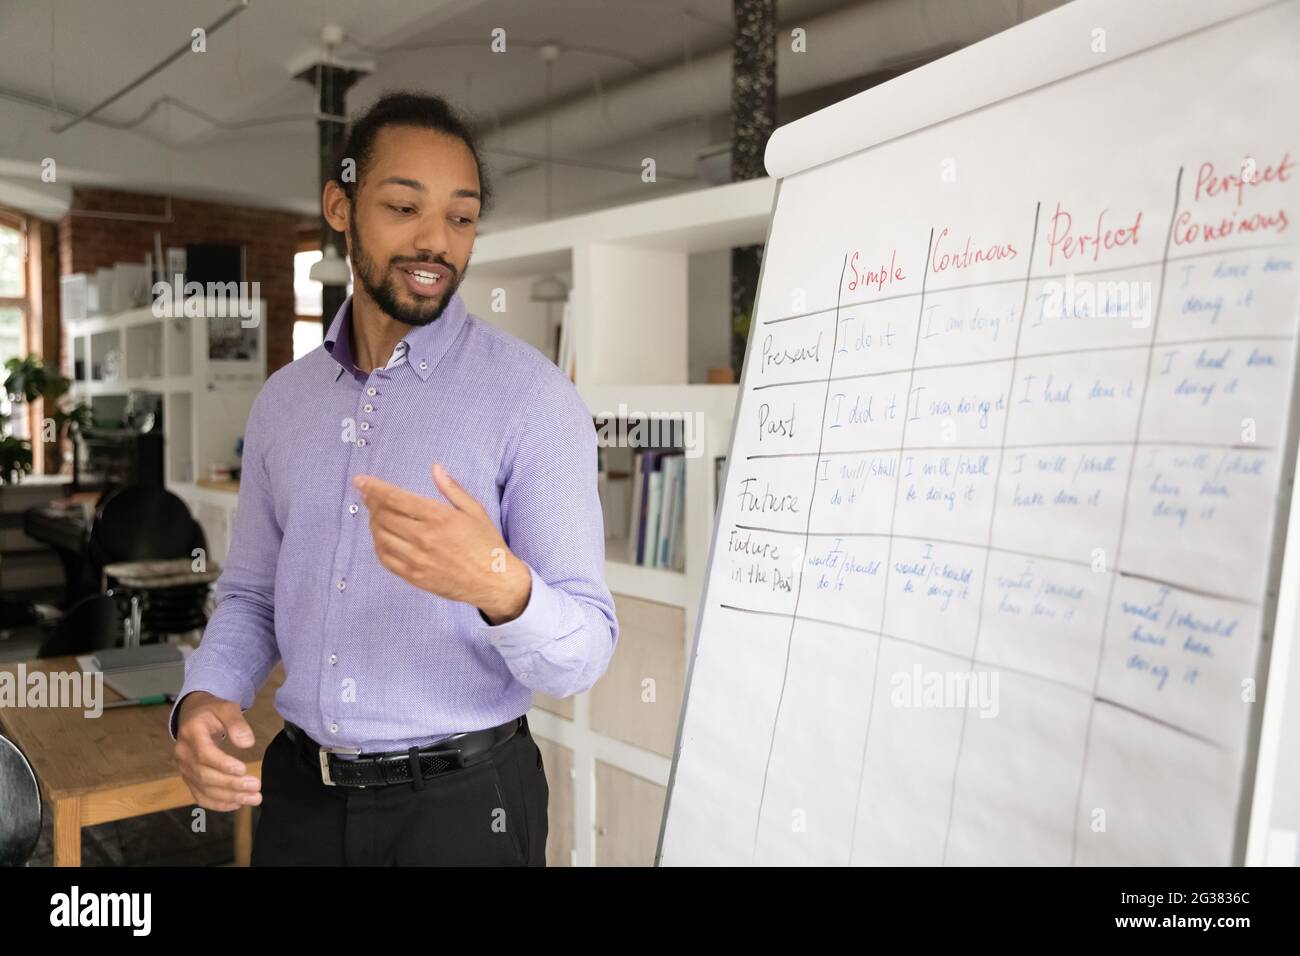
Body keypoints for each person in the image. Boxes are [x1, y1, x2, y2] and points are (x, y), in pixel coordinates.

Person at [168, 91, 619, 866]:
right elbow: (250, 596)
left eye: (461, 217)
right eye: (404, 206)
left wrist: (498, 582)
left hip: (465, 813)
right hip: (298, 802)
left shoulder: (534, 399)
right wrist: (206, 696)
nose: (435, 241)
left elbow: (583, 654)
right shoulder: (284, 402)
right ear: (341, 208)